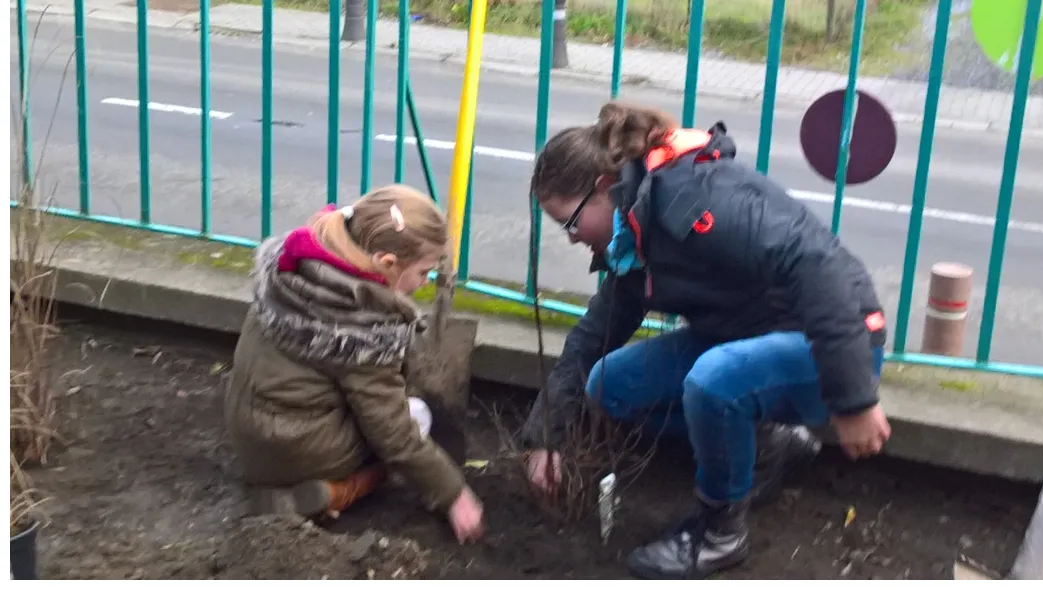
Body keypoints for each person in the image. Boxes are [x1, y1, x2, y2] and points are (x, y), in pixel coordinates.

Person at [521, 101, 892, 579]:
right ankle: (769, 444)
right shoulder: (636, 235)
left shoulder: (700, 200)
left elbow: (823, 268)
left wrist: (854, 400)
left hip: (834, 345)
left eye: (569, 223)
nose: (571, 239)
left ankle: (720, 533)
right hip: (749, 341)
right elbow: (593, 338)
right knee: (609, 384)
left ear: (604, 188)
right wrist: (544, 438)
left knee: (714, 381)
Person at [223, 185, 485, 544]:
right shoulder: (363, 326)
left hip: (250, 431)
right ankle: (335, 491)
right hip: (299, 451)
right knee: (416, 416)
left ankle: (297, 482)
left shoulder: (296, 268)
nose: (425, 283)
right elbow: (394, 436)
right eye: (424, 272)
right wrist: (453, 494)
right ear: (387, 263)